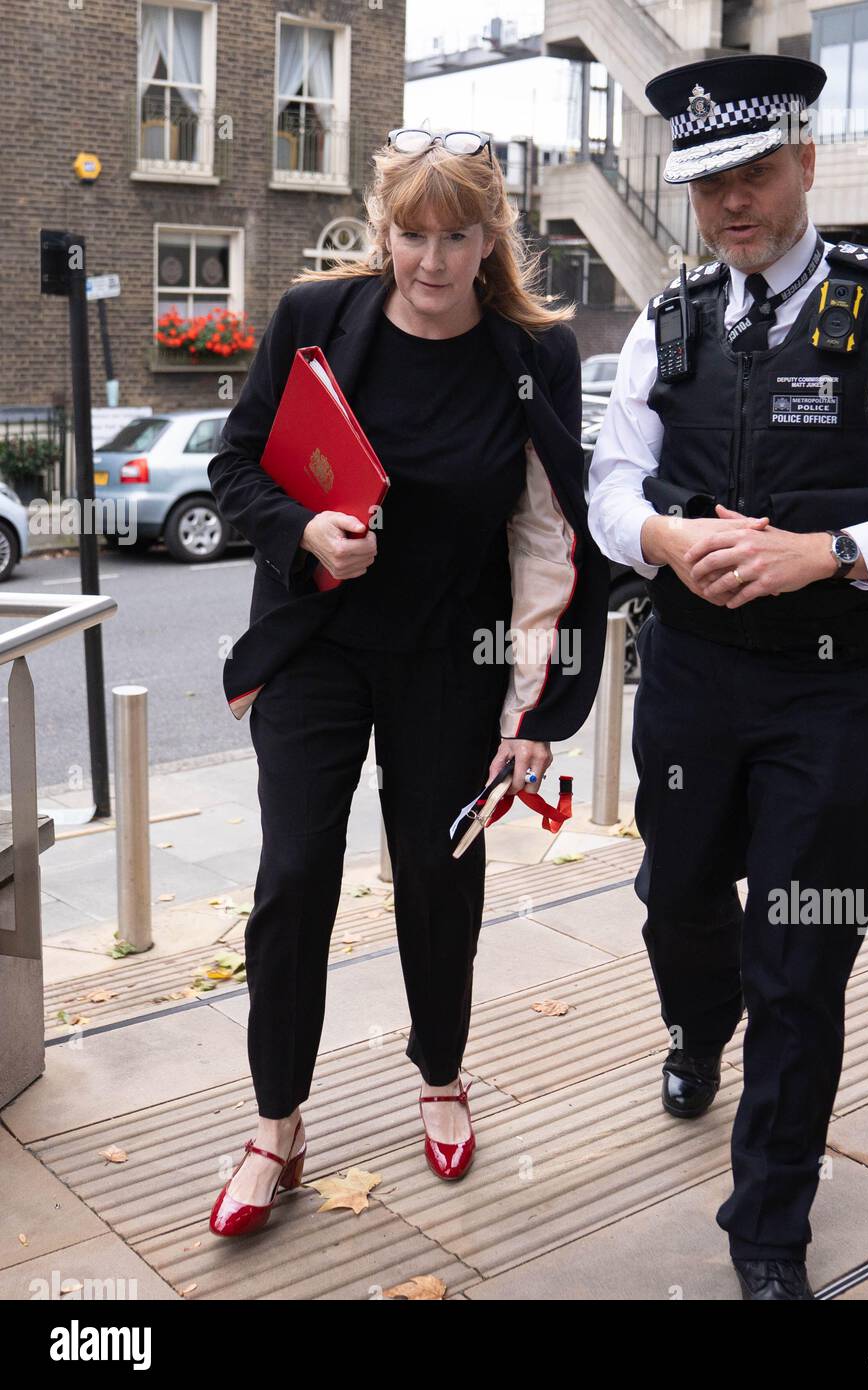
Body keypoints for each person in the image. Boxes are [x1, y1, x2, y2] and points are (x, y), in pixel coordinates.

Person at [588, 55, 868, 1299]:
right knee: (678, 896)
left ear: (805, 163)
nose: (732, 205)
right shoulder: (669, 322)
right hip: (692, 677)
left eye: (755, 173)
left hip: (829, 690)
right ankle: (694, 1023)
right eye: (709, 183)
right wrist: (660, 537)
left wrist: (825, 553)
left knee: (803, 950)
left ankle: (768, 1229)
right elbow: (608, 487)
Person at [205, 127, 608, 1236]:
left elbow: (552, 536)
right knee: (294, 874)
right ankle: (276, 1125)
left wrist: (536, 712)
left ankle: (440, 1071)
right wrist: (303, 532)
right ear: (380, 229)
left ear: (492, 237)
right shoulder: (313, 320)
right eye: (411, 234)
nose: (430, 262)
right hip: (317, 647)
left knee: (439, 881)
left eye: (456, 236)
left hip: (453, 662)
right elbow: (235, 469)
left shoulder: (535, 357)